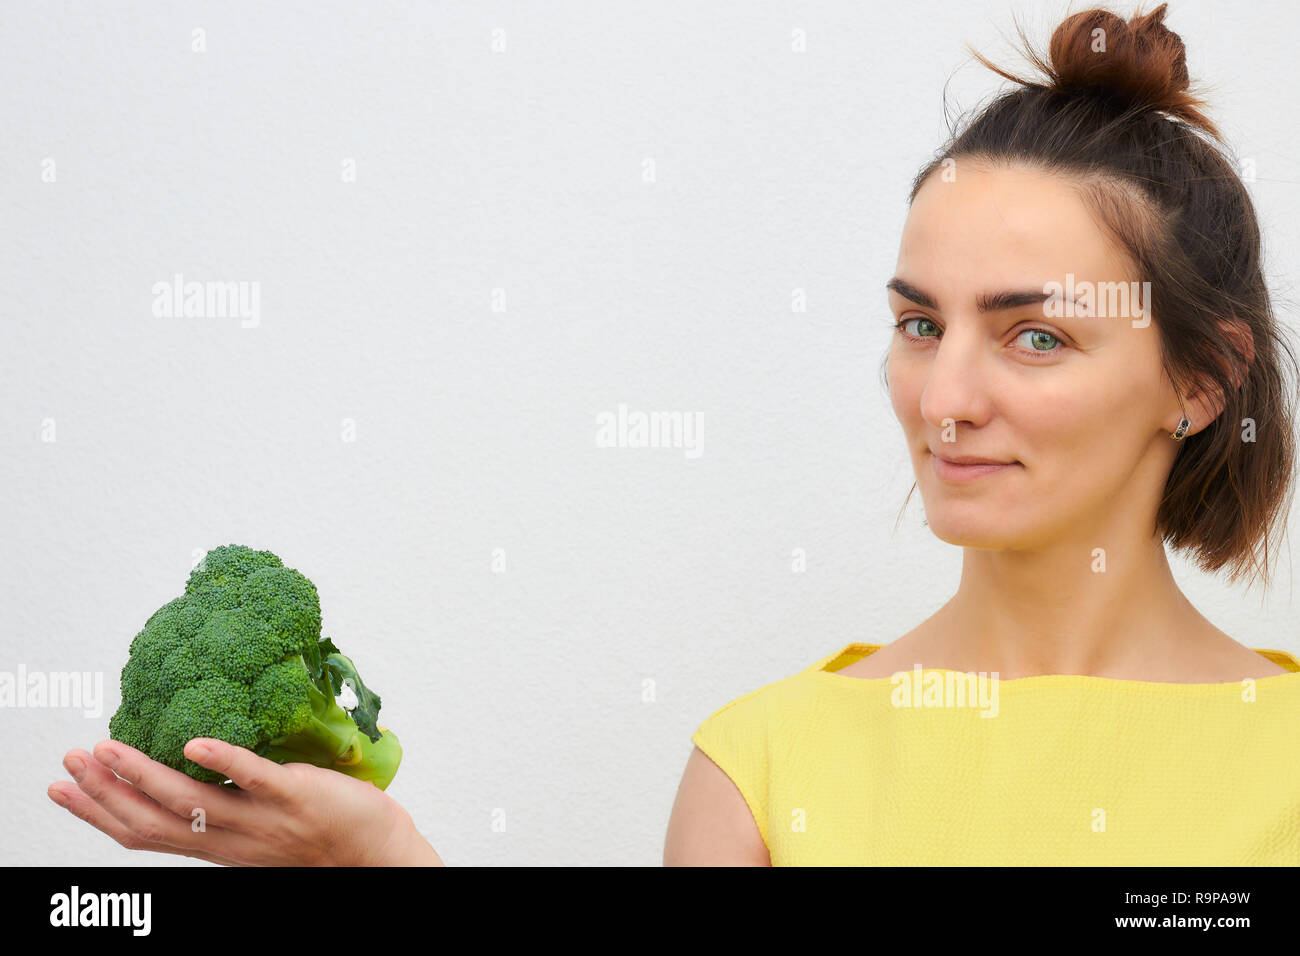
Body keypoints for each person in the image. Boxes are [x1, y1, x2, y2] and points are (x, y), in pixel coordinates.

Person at [49, 3, 1300, 867]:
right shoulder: (760, 761)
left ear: (1199, 380)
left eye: (1035, 336)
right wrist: (384, 855)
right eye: (921, 324)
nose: (945, 398)